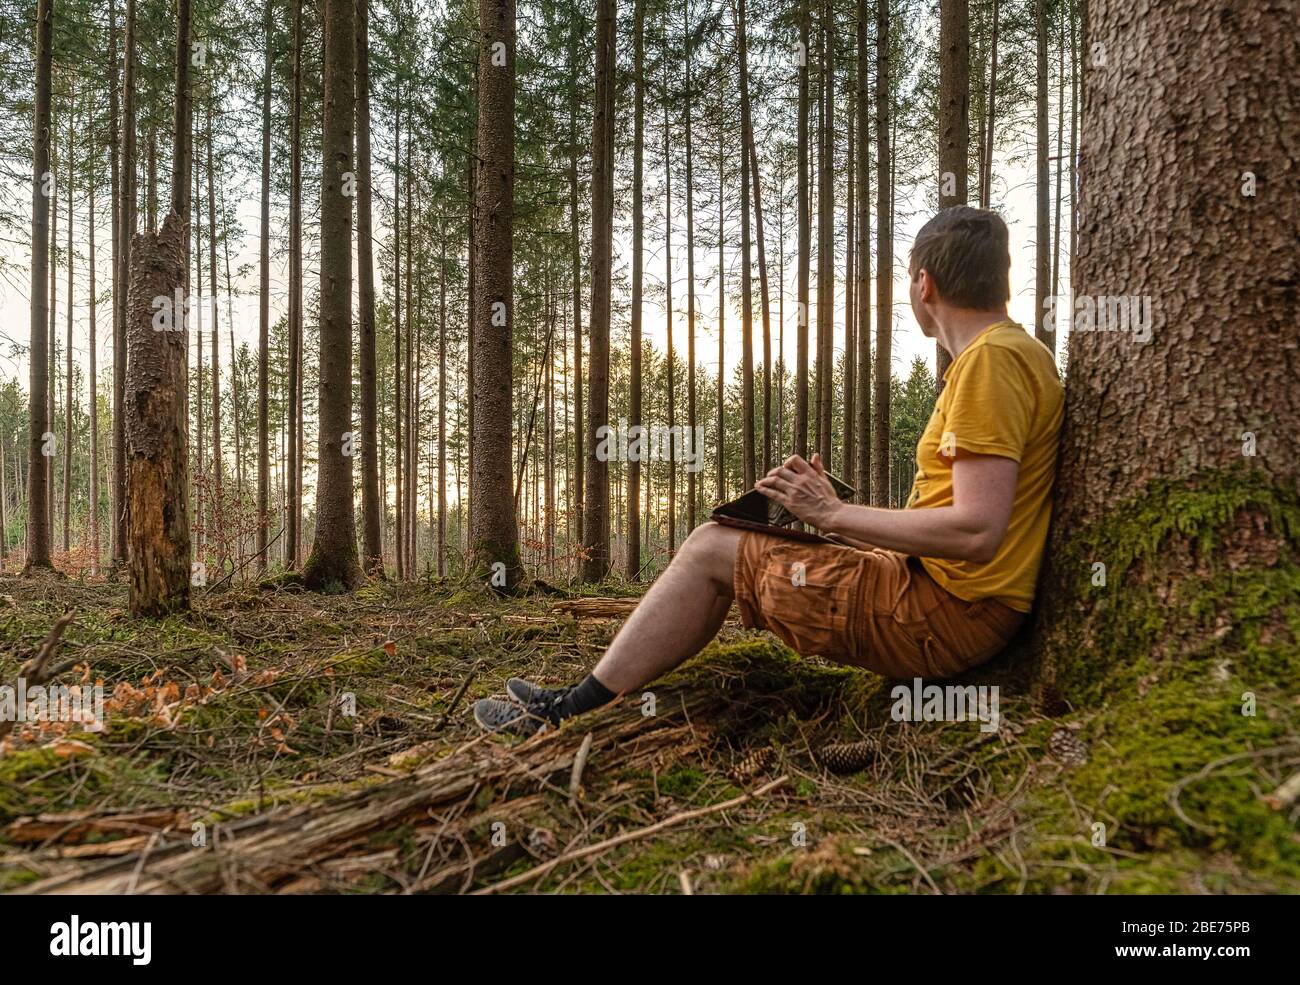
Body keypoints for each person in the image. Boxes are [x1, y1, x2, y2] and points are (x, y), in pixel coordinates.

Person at [475, 206, 1064, 735]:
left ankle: (566, 715)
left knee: (710, 549)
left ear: (924, 283)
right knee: (731, 540)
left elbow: (976, 532)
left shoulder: (990, 362)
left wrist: (830, 511)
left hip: (944, 614)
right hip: (944, 597)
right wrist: (829, 520)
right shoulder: (1012, 354)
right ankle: (582, 702)